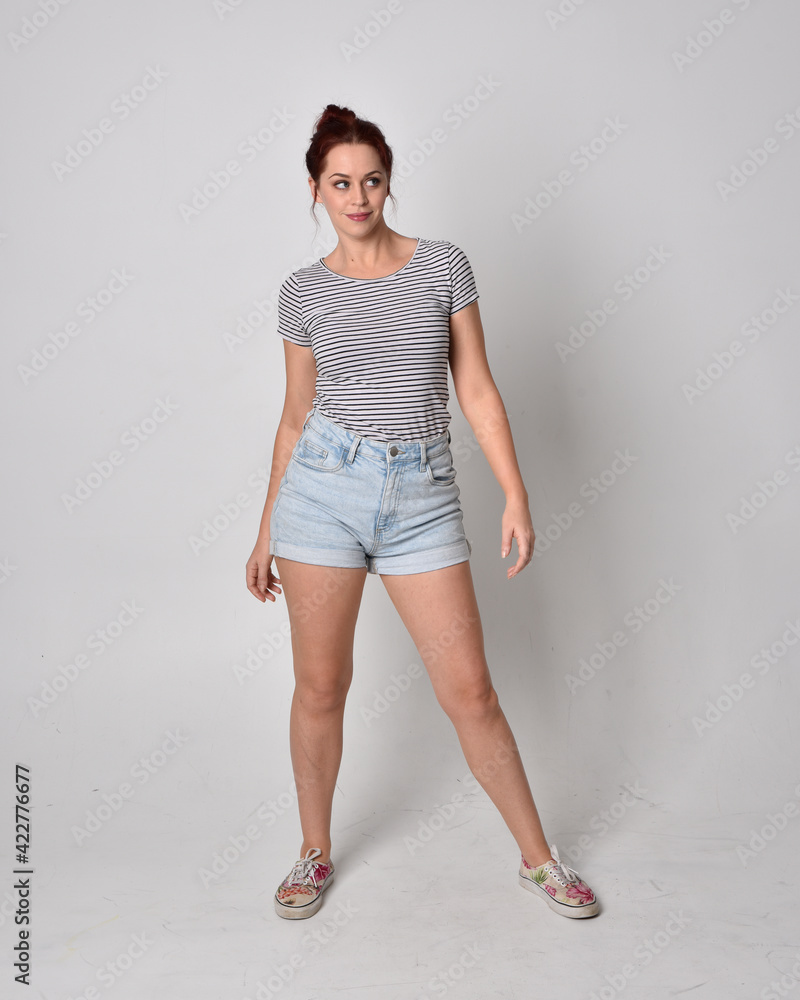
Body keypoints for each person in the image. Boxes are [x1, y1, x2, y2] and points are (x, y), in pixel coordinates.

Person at [245, 104, 599, 921]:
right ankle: (314, 851)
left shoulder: (442, 265)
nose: (358, 196)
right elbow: (295, 417)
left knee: (470, 692)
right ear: (316, 190)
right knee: (321, 687)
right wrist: (266, 529)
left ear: (388, 182)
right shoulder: (302, 292)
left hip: (422, 497)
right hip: (321, 495)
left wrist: (514, 490)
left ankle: (539, 859)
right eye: (341, 183)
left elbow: (475, 386)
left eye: (371, 180)